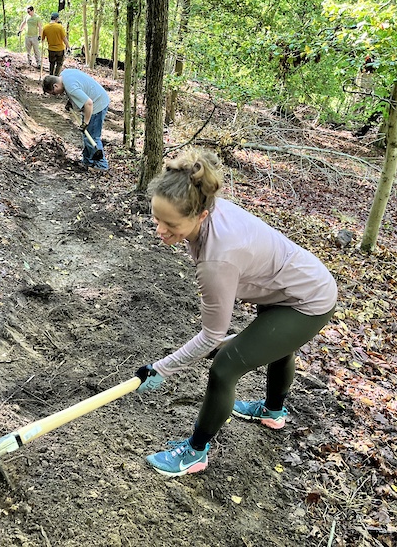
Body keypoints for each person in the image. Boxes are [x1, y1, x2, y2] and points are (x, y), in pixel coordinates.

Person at [135, 149, 337, 477]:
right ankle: (272, 411)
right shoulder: (206, 208)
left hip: (307, 300)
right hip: (286, 284)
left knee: (224, 367)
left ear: (200, 215)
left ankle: (195, 453)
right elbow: (217, 333)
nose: (160, 229)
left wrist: (161, 368)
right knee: (273, 345)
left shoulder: (217, 259)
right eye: (157, 218)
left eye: (171, 224)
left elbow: (213, 335)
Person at [43, 70, 109, 171]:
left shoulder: (71, 87)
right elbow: (80, 87)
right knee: (86, 136)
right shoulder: (65, 74)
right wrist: (71, 101)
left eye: (53, 93)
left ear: (55, 85)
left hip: (97, 105)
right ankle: (87, 161)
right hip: (96, 99)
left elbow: (88, 103)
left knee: (92, 137)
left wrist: (85, 123)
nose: (55, 95)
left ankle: (102, 166)